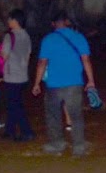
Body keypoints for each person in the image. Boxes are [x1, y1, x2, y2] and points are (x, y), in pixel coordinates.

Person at [32, 10, 96, 157]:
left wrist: (36, 83)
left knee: (53, 115)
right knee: (76, 115)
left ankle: (57, 144)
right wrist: (91, 80)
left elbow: (42, 62)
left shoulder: (48, 39)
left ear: (53, 24)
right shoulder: (79, 37)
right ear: (67, 22)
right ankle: (78, 147)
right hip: (74, 83)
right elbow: (86, 60)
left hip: (54, 84)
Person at [0, 8, 34, 141]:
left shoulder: (9, 36)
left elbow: (5, 55)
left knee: (15, 105)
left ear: (15, 20)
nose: (8, 21)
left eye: (10, 19)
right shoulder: (26, 35)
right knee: (14, 103)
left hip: (12, 76)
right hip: (22, 75)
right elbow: (28, 55)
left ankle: (27, 132)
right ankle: (9, 130)